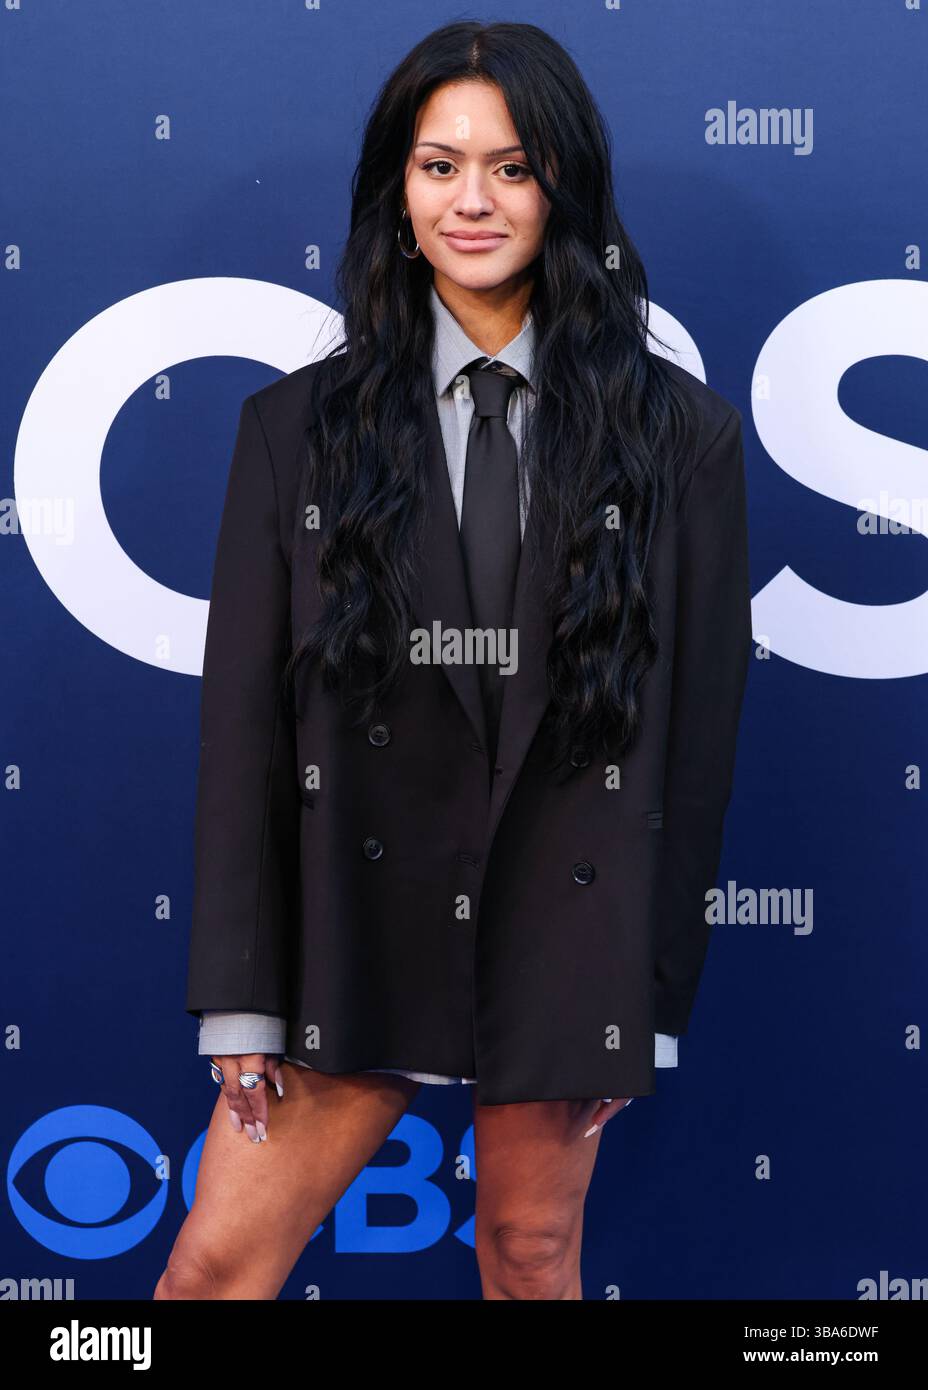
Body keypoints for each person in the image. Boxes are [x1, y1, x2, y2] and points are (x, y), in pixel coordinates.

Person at [155, 20, 752, 1302]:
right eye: (439, 166)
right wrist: (241, 998)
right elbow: (242, 733)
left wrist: (645, 996)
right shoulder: (292, 430)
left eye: (512, 167)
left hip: (563, 911)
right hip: (353, 909)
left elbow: (693, 747)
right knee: (214, 1266)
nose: (472, 201)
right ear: (397, 189)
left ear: (564, 188)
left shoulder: (679, 437)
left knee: (531, 1257)